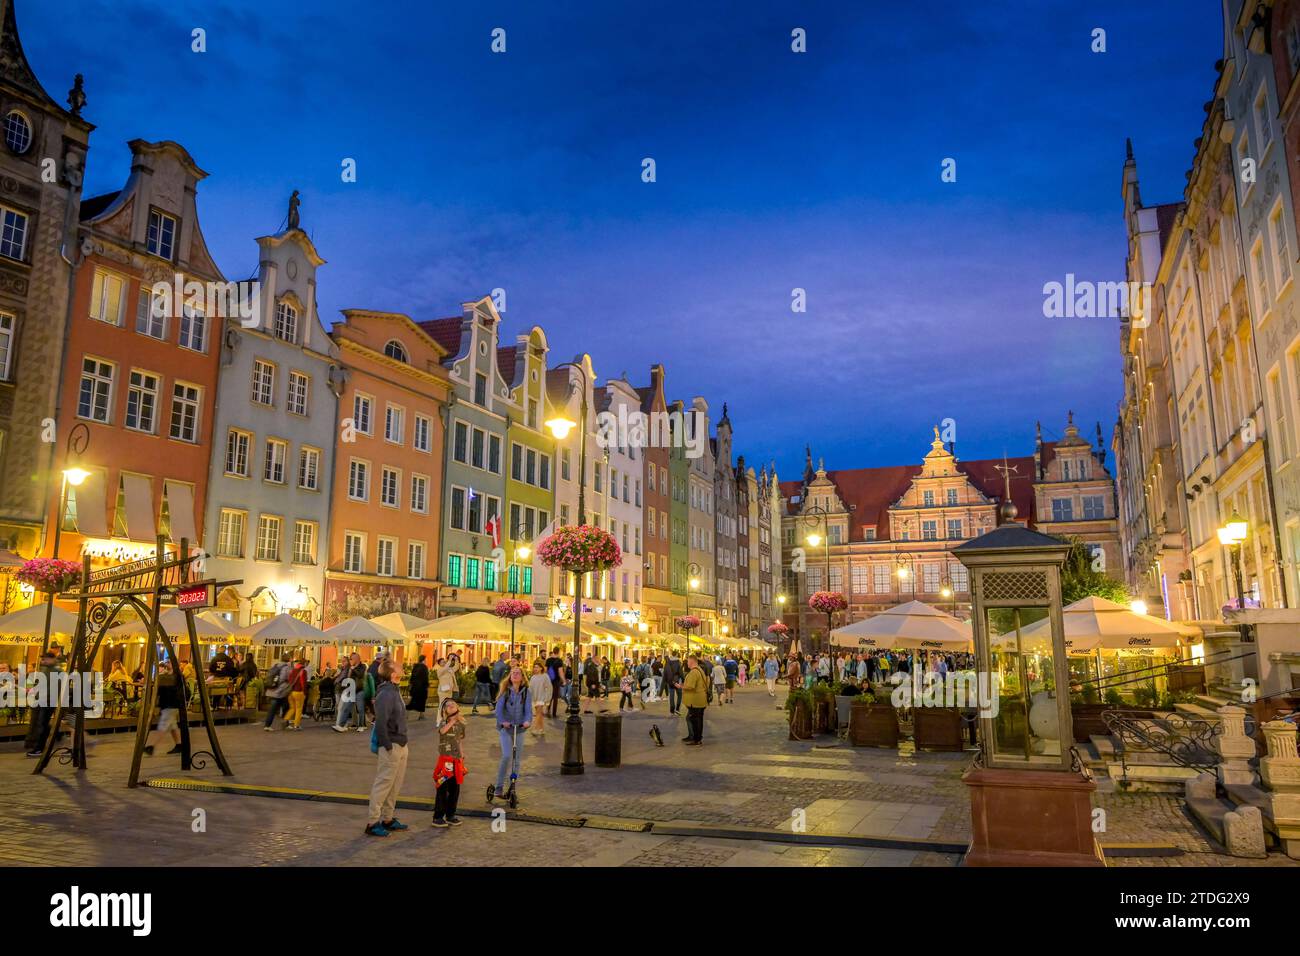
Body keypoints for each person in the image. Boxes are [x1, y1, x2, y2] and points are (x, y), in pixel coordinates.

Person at [365, 659, 410, 837]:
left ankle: (388, 818)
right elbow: (380, 721)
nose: (402, 666)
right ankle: (373, 821)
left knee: (395, 784)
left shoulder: (394, 690)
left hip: (401, 743)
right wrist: (387, 745)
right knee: (383, 784)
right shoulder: (386, 694)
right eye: (399, 666)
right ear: (393, 673)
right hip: (391, 744)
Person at [492, 666, 532, 798]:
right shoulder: (506, 691)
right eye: (513, 673)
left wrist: (527, 721)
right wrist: (503, 721)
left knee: (517, 760)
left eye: (517, 673)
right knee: (507, 756)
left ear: (522, 677)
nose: (514, 675)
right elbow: (498, 710)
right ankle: (499, 786)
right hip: (506, 728)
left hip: (519, 728)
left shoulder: (526, 692)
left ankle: (512, 785)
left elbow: (528, 711)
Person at [431, 697, 467, 828]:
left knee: (455, 789)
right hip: (445, 761)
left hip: (456, 761)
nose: (451, 706)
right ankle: (438, 817)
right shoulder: (442, 722)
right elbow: (442, 731)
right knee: (442, 788)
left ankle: (450, 815)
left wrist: (462, 755)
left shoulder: (461, 724)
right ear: (444, 711)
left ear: (458, 708)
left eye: (453, 704)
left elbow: (459, 740)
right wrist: (452, 721)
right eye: (448, 705)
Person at [144, 658, 185, 756]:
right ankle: (179, 745)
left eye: (169, 662)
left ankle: (151, 746)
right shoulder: (167, 675)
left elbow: (177, 689)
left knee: (162, 726)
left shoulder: (178, 676)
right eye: (166, 662)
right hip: (167, 703)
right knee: (172, 726)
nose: (167, 664)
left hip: (172, 704)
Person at [334, 653, 368, 733]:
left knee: (360, 709)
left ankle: (361, 726)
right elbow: (348, 678)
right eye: (350, 659)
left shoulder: (363, 666)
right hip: (351, 689)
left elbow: (360, 675)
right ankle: (341, 726)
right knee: (345, 708)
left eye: (352, 659)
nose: (350, 660)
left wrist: (353, 669)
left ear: (357, 659)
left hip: (360, 689)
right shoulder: (350, 667)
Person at [679, 655, 709, 745]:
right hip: (700, 700)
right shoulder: (700, 670)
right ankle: (695, 737)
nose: (687, 664)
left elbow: (691, 686)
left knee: (695, 720)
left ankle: (696, 739)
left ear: (691, 662)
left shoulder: (694, 672)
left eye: (688, 662)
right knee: (696, 719)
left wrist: (681, 686)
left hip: (695, 701)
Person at [262, 653, 293, 732]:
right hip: (280, 691)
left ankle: (268, 725)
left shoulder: (276, 665)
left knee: (273, 709)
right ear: (289, 659)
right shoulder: (286, 667)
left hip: (272, 690)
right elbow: (286, 678)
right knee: (285, 707)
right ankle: (285, 724)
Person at [282, 657, 309, 730]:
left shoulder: (293, 670)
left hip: (291, 692)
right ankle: (296, 725)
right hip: (298, 692)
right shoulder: (303, 671)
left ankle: (286, 719)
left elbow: (289, 680)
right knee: (299, 709)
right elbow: (303, 683)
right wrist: (305, 692)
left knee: (292, 708)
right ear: (304, 663)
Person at [527, 661, 552, 737]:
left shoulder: (545, 676)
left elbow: (549, 687)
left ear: (541, 668)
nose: (535, 668)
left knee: (538, 713)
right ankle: (541, 729)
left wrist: (547, 698)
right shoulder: (533, 677)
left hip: (542, 697)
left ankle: (535, 728)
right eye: (534, 667)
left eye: (537, 667)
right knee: (539, 714)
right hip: (534, 698)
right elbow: (530, 688)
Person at [544, 647, 565, 718]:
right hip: (556, 681)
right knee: (555, 697)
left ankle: (547, 711)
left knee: (549, 696)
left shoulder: (548, 660)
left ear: (553, 651)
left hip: (549, 680)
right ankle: (554, 714)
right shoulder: (559, 660)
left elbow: (545, 670)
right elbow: (560, 672)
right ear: (558, 652)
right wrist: (564, 680)